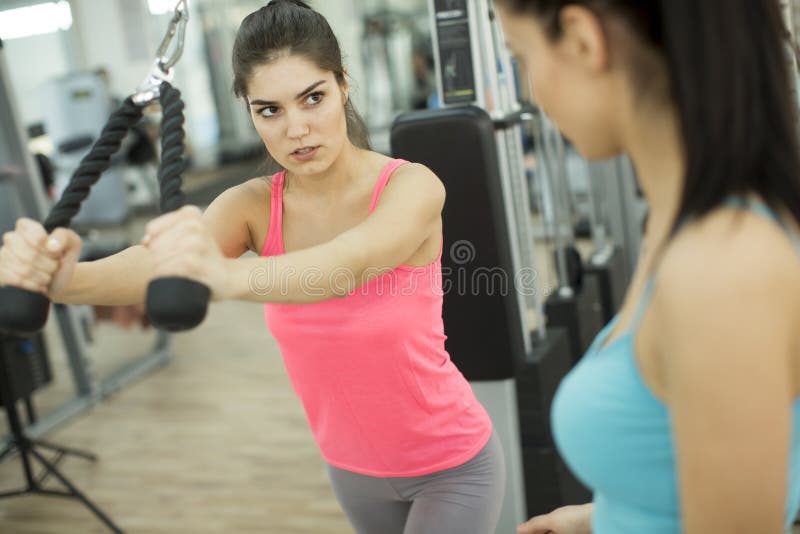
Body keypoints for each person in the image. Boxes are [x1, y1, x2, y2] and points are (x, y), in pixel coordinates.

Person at [0, 1, 505, 533]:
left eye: (313, 98)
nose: (297, 130)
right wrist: (60, 281)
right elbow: (150, 265)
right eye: (270, 110)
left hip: (451, 467)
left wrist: (223, 276)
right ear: (249, 112)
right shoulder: (253, 205)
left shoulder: (411, 186)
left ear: (343, 84)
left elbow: (346, 264)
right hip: (351, 471)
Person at [491, 0, 800, 533]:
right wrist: (606, 518)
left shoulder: (722, 270)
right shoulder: (681, 226)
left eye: (521, 56)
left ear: (583, 39)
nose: (532, 90)